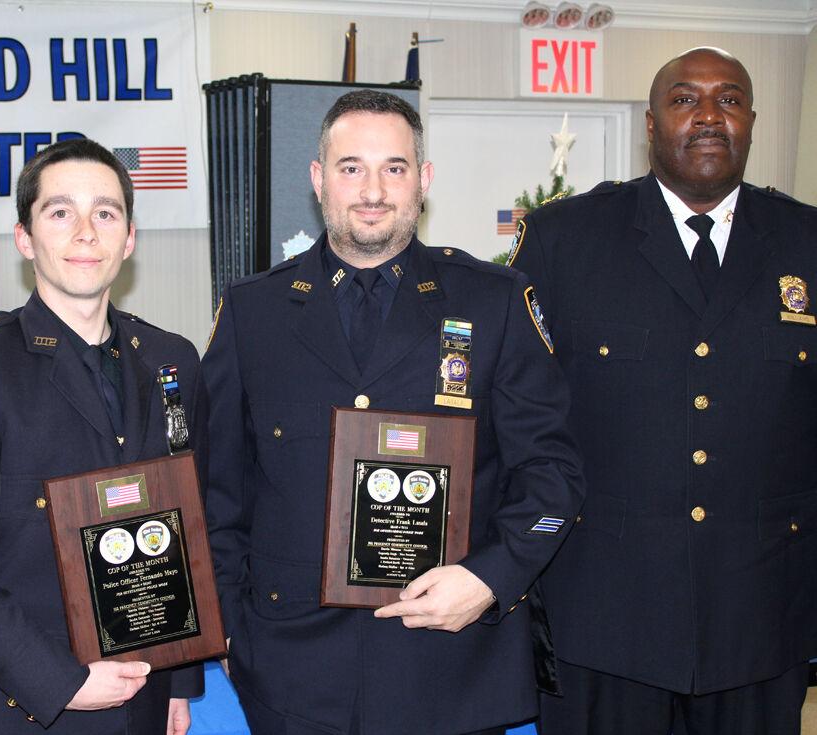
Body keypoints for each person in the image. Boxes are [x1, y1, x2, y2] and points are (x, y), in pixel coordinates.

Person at [202, 89, 585, 734]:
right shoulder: (253, 311)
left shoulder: (493, 303)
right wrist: (235, 631)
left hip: (451, 666)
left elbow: (554, 477)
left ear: (423, 180)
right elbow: (218, 494)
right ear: (319, 179)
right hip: (292, 669)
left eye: (395, 168)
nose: (373, 191)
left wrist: (490, 580)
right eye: (351, 167)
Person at [510, 47, 817, 735]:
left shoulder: (806, 240)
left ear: (751, 121)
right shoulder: (566, 240)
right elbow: (518, 419)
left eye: (728, 100)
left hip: (761, 614)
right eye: (684, 99)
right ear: (651, 124)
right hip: (604, 617)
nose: (708, 115)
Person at [0, 138, 203, 734]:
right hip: (23, 707)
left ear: (129, 238)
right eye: (60, 212)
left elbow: (182, 521)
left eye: (105, 213)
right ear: (24, 238)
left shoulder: (170, 359)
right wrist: (58, 680)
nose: (85, 233)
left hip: (142, 699)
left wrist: (179, 679)